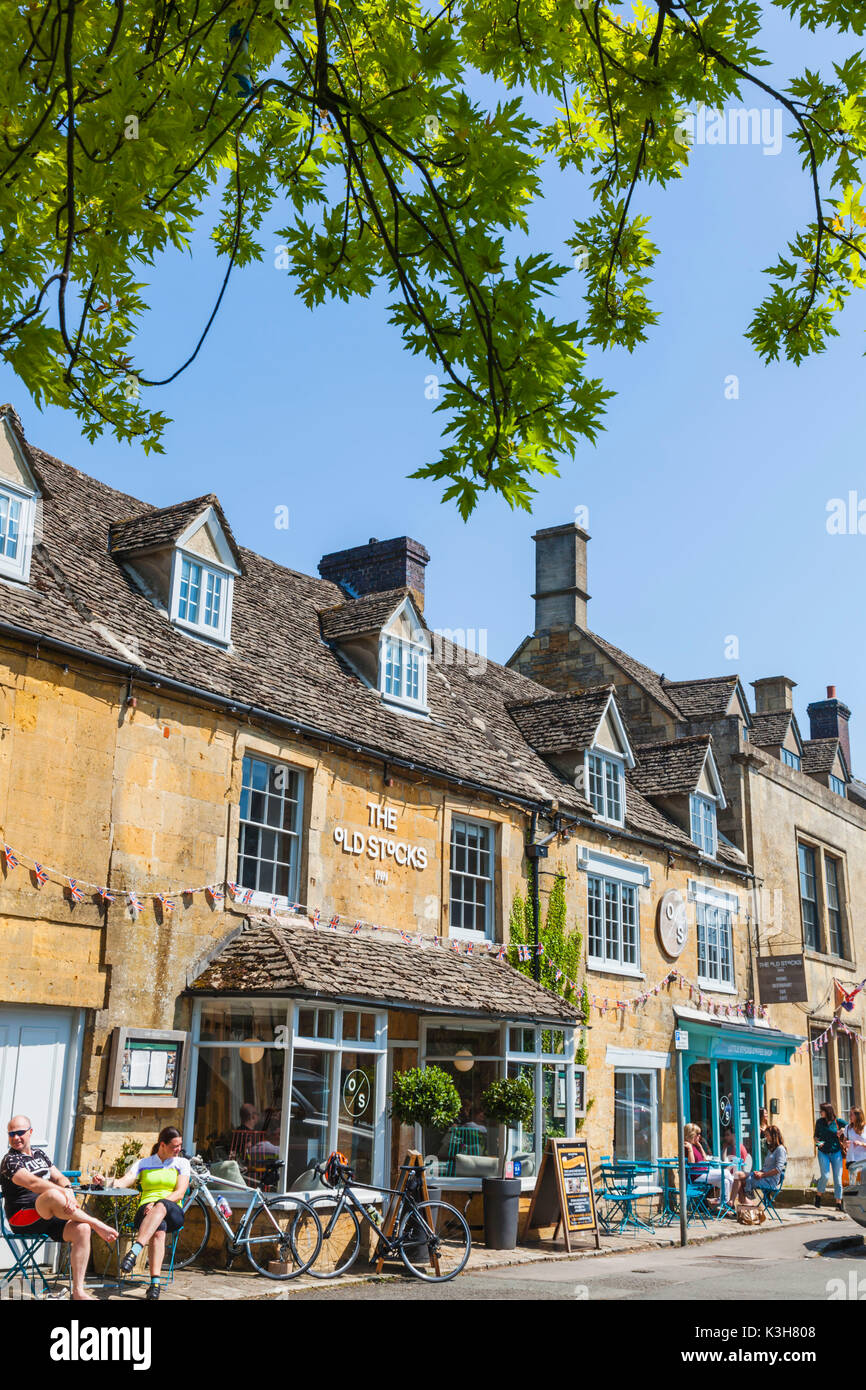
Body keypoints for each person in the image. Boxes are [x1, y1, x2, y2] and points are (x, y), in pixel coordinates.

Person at [0, 1114, 117, 1301]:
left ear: (30, 1132)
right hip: (23, 1217)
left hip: (50, 1215)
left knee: (82, 1229)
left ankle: (78, 1292)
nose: (15, 1138)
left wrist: (68, 1188)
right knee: (54, 1195)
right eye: (11, 1134)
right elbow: (33, 1184)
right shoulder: (10, 1161)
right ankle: (96, 1222)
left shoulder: (39, 1154)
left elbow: (60, 1177)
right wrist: (63, 1192)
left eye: (20, 1133)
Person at [108, 1125, 190, 1301]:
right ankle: (155, 1285)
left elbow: (180, 1192)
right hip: (146, 1212)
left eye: (180, 1145)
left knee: (161, 1206)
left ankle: (134, 1251)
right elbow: (123, 1182)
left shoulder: (182, 1163)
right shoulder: (143, 1163)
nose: (179, 1149)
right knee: (159, 1231)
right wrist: (106, 1181)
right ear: (162, 1145)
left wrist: (158, 1202)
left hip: (173, 1210)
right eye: (175, 1146)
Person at [728, 1126, 787, 1209]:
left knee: (741, 1180)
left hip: (769, 1181)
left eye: (767, 1135)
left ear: (773, 1135)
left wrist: (762, 1174)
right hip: (763, 1176)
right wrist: (759, 1171)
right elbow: (766, 1167)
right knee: (737, 1175)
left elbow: (778, 1169)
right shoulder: (771, 1150)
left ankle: (738, 1203)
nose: (766, 1137)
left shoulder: (780, 1149)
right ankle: (734, 1202)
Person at [814, 1101, 846, 1211]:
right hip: (823, 1153)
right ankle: (818, 1196)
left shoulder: (838, 1121)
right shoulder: (819, 1122)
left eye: (821, 1110)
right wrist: (818, 1144)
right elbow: (816, 1137)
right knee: (825, 1176)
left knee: (837, 1179)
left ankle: (838, 1203)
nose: (820, 1112)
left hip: (836, 1153)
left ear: (827, 1111)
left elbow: (851, 1127)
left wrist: (843, 1130)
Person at [844, 1108, 866, 1186]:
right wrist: (846, 1144)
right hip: (852, 1160)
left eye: (851, 1114)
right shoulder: (847, 1128)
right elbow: (844, 1142)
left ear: (858, 1116)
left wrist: (861, 1143)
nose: (849, 1116)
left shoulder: (865, 1128)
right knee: (852, 1185)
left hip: (864, 1161)